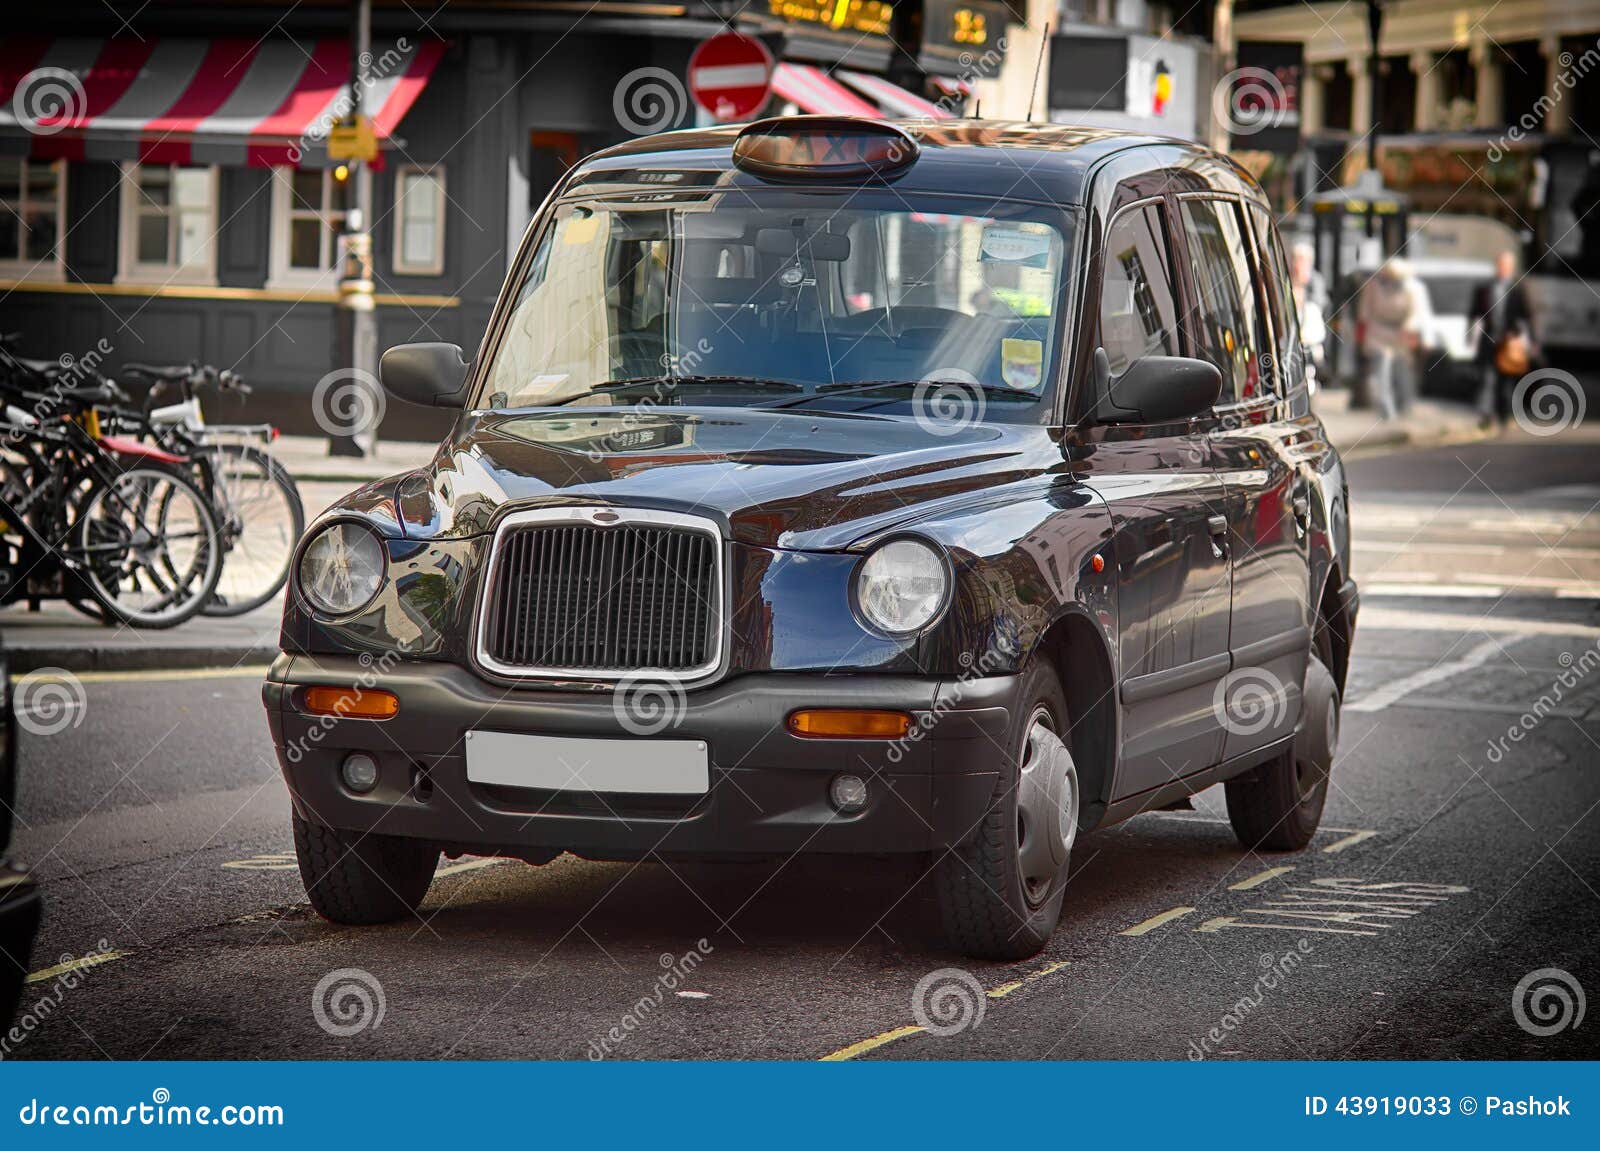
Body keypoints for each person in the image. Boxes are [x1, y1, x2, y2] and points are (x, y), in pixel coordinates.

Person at [1468, 249, 1534, 430]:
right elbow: (1474, 314)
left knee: (1505, 382)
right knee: (1487, 379)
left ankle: (1504, 415)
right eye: (1501, 265)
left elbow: (1526, 317)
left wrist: (1530, 342)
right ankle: (1486, 415)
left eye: (1507, 266)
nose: (1503, 269)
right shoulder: (1484, 288)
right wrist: (1470, 337)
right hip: (1488, 341)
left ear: (1511, 268)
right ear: (1496, 266)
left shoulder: (1518, 289)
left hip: (1509, 343)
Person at [1357, 258, 1418, 420]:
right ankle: (1387, 412)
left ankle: (1404, 408)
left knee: (1401, 373)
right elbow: (1365, 312)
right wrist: (1363, 336)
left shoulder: (1407, 289)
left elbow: (1412, 313)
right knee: (1381, 374)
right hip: (1377, 333)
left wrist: (1408, 331)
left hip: (1398, 335)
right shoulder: (1373, 286)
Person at [1290, 240, 1329, 386]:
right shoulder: (1285, 282)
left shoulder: (1315, 283)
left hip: (1308, 347)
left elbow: (1317, 310)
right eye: (1295, 259)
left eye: (1301, 260)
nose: (1296, 264)